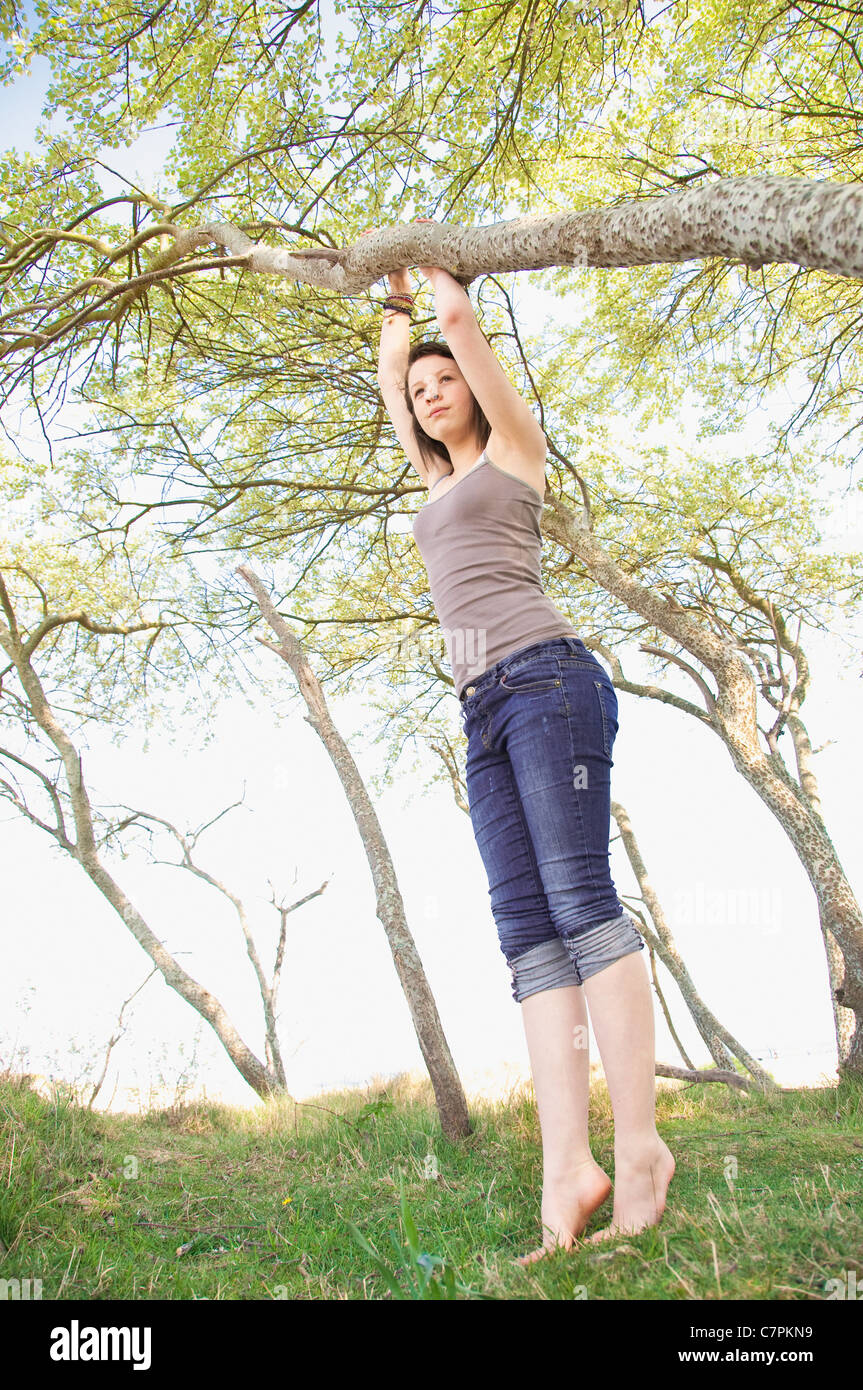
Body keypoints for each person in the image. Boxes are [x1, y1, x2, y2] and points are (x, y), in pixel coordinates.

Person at [373, 244, 675, 1265]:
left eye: (441, 379)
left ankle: (638, 1150)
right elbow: (392, 381)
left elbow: (463, 339)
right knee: (525, 936)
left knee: (580, 900)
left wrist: (443, 306)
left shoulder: (514, 453)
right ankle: (566, 1170)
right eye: (419, 390)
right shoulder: (427, 480)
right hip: (480, 706)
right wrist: (390, 312)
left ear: (471, 386)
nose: (428, 392)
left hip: (547, 680)